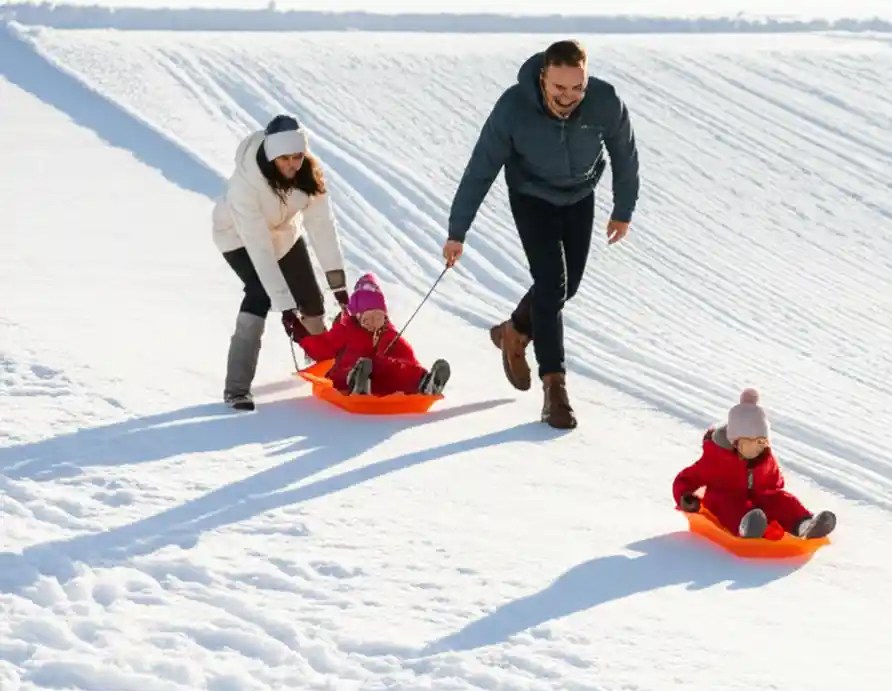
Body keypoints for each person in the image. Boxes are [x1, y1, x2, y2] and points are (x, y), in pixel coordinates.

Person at [443, 39, 640, 430]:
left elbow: (624, 152)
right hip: (532, 195)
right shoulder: (514, 108)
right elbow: (480, 168)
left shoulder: (604, 101)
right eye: (559, 87)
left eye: (576, 87)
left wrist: (623, 209)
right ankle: (555, 390)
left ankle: (514, 331)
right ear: (542, 77)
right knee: (551, 283)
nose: (568, 97)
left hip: (580, 195)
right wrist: (457, 231)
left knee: (568, 286)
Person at [211, 114, 349, 411]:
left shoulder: (308, 174)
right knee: (260, 293)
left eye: (297, 157)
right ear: (273, 155)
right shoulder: (245, 185)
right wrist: (285, 307)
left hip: (284, 234)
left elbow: (323, 228)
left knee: (312, 299)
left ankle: (325, 366)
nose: (292, 164)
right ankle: (236, 388)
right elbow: (259, 249)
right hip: (238, 237)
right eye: (284, 158)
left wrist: (338, 286)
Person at [672, 389, 837, 539]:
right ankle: (747, 527)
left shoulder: (765, 457)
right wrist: (685, 498)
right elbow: (686, 478)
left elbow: (776, 482)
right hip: (727, 497)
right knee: (730, 507)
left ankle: (805, 525)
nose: (756, 448)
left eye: (760, 442)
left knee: (783, 501)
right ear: (734, 441)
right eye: (749, 442)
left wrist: (773, 493)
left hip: (761, 497)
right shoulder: (716, 458)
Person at [282, 273, 451, 396]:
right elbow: (322, 348)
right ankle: (356, 382)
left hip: (376, 381)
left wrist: (417, 372)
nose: (372, 322)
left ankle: (425, 383)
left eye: (377, 316)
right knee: (353, 370)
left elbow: (405, 357)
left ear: (385, 315)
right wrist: (298, 332)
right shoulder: (346, 328)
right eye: (367, 318)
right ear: (357, 316)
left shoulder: (387, 332)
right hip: (343, 377)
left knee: (386, 366)